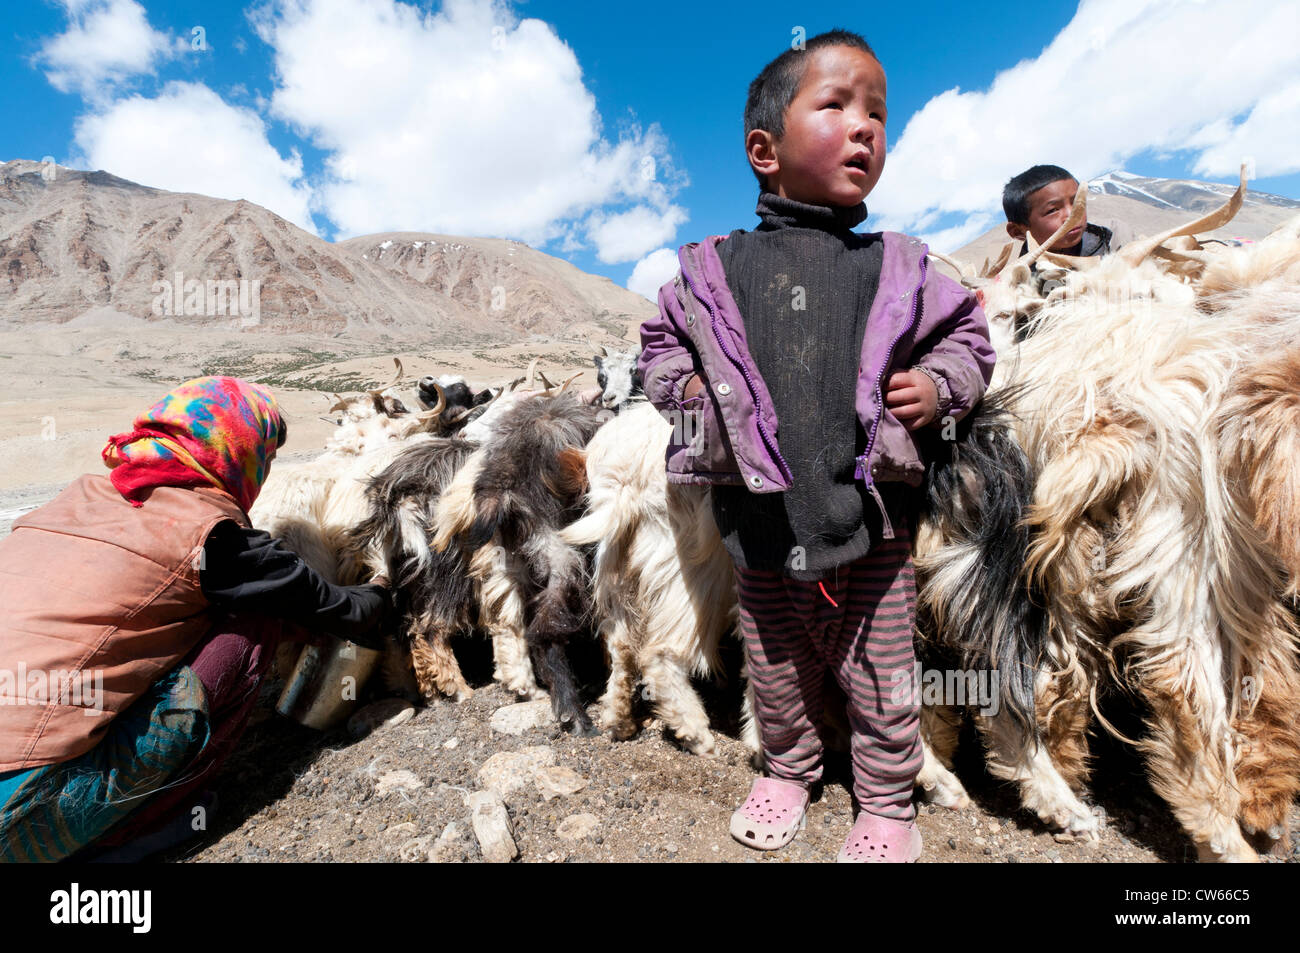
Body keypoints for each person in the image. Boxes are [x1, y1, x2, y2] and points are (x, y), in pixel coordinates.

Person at [638, 29, 995, 862]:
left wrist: (941, 388)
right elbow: (660, 350)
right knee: (777, 665)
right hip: (758, 524)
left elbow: (970, 335)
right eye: (836, 105)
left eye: (878, 113)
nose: (866, 127)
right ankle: (788, 768)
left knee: (883, 675)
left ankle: (884, 799)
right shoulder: (710, 271)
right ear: (764, 149)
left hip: (869, 525)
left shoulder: (899, 266)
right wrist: (690, 398)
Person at [0, 376, 392, 862]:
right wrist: (383, 580)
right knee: (255, 624)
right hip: (23, 816)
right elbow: (347, 612)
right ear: (242, 455)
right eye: (264, 457)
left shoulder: (73, 499)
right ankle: (138, 824)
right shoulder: (219, 538)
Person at [1002, 164, 1131, 256]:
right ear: (1018, 231)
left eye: (1077, 203)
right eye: (1052, 210)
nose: (1072, 215)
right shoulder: (1020, 282)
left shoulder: (1115, 238)